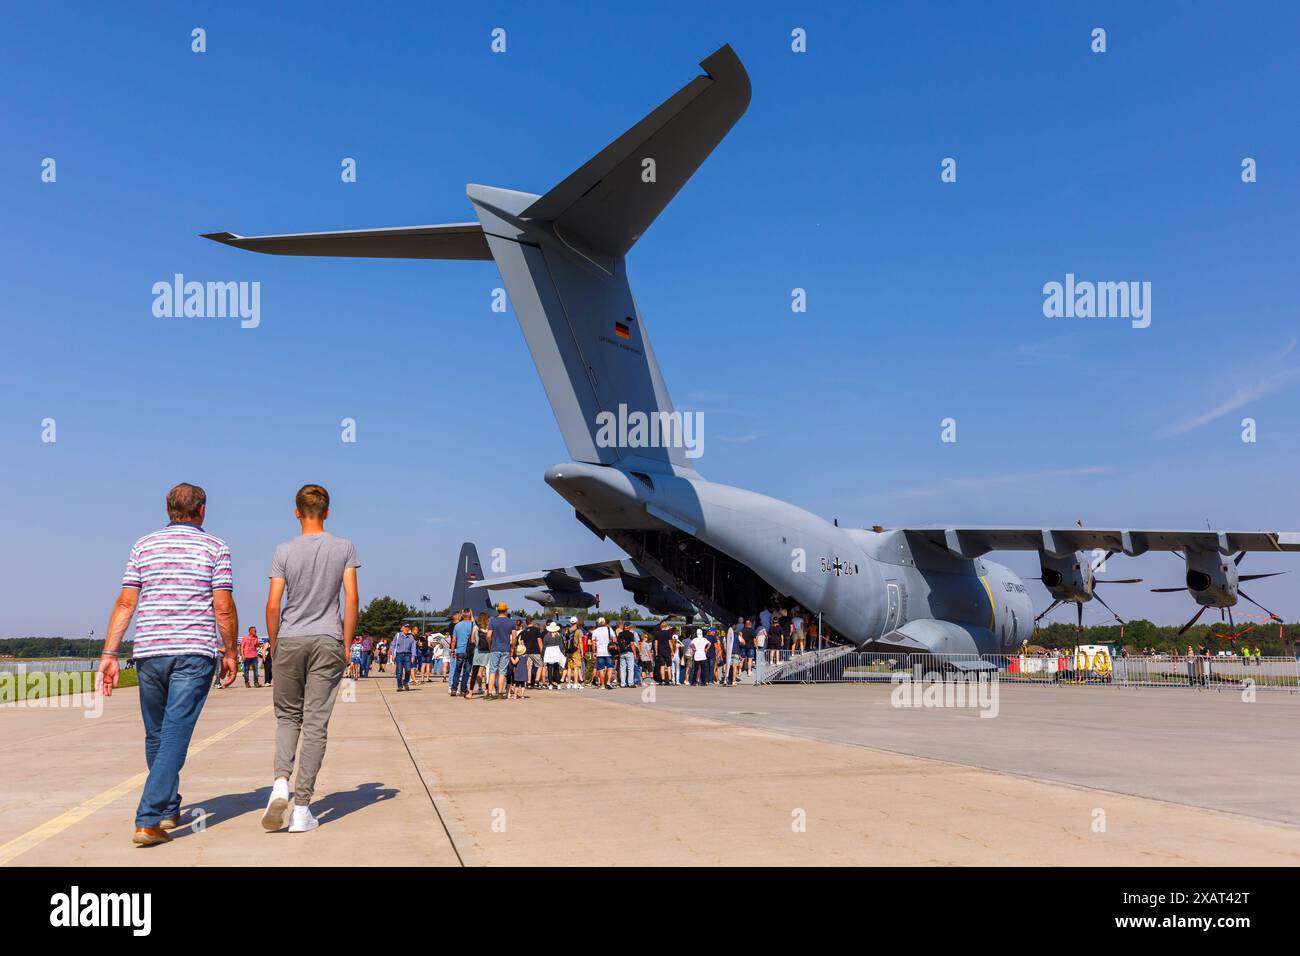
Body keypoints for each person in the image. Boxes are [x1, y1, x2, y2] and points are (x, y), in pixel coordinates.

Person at [96, 483, 239, 846]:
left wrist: (109, 654)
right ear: (202, 510)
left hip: (149, 651)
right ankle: (148, 819)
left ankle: (168, 808)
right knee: (174, 735)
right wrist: (230, 652)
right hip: (193, 652)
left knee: (157, 735)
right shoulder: (216, 547)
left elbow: (126, 602)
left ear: (168, 510)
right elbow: (222, 606)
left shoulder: (143, 546)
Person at [260, 484, 359, 835]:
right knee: (316, 723)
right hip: (327, 637)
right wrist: (346, 644)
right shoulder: (344, 547)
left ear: (296, 512)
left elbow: (273, 605)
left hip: (289, 638)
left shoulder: (283, 551)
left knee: (288, 717)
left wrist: (274, 645)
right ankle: (302, 808)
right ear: (327, 512)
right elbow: (352, 599)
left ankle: (280, 784)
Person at [487, 603, 514, 700]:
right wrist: (512, 648)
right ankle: (500, 693)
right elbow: (514, 637)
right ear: (506, 610)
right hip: (505, 648)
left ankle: (489, 693)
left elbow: (488, 635)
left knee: (492, 671)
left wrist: (490, 645)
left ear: (498, 611)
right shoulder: (511, 622)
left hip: (495, 648)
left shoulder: (493, 621)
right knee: (502, 672)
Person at [449, 611, 474, 697]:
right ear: (470, 616)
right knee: (466, 671)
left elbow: (453, 640)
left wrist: (452, 650)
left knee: (457, 670)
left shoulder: (457, 625)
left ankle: (453, 688)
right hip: (469, 651)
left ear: (463, 616)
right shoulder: (472, 625)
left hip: (459, 651)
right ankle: (463, 689)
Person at [590, 617, 614, 689]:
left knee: (601, 669)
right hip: (609, 651)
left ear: (597, 623)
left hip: (599, 652)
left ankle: (602, 685)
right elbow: (614, 638)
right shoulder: (609, 629)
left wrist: (594, 652)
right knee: (610, 667)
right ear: (604, 622)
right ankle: (608, 682)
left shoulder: (595, 631)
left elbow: (593, 643)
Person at [542, 621, 566, 688]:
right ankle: (558, 684)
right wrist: (562, 653)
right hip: (556, 651)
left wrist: (542, 654)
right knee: (556, 668)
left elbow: (544, 646)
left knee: (549, 669)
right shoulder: (559, 636)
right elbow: (561, 645)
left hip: (548, 652)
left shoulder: (546, 636)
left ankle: (550, 684)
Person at [522, 618, 544, 688]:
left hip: (527, 652)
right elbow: (539, 641)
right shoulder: (536, 630)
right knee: (540, 665)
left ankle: (528, 682)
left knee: (529, 667)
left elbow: (522, 643)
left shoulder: (524, 631)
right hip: (535, 651)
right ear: (532, 622)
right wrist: (542, 651)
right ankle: (536, 682)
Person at [392, 626, 415, 691]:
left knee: (408, 669)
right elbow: (393, 644)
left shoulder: (411, 637)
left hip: (408, 655)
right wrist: (393, 654)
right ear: (402, 629)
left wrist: (413, 656)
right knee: (399, 671)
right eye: (405, 628)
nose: (407, 629)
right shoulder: (398, 635)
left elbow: (413, 647)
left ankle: (405, 682)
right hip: (399, 655)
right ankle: (400, 686)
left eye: (408, 628)